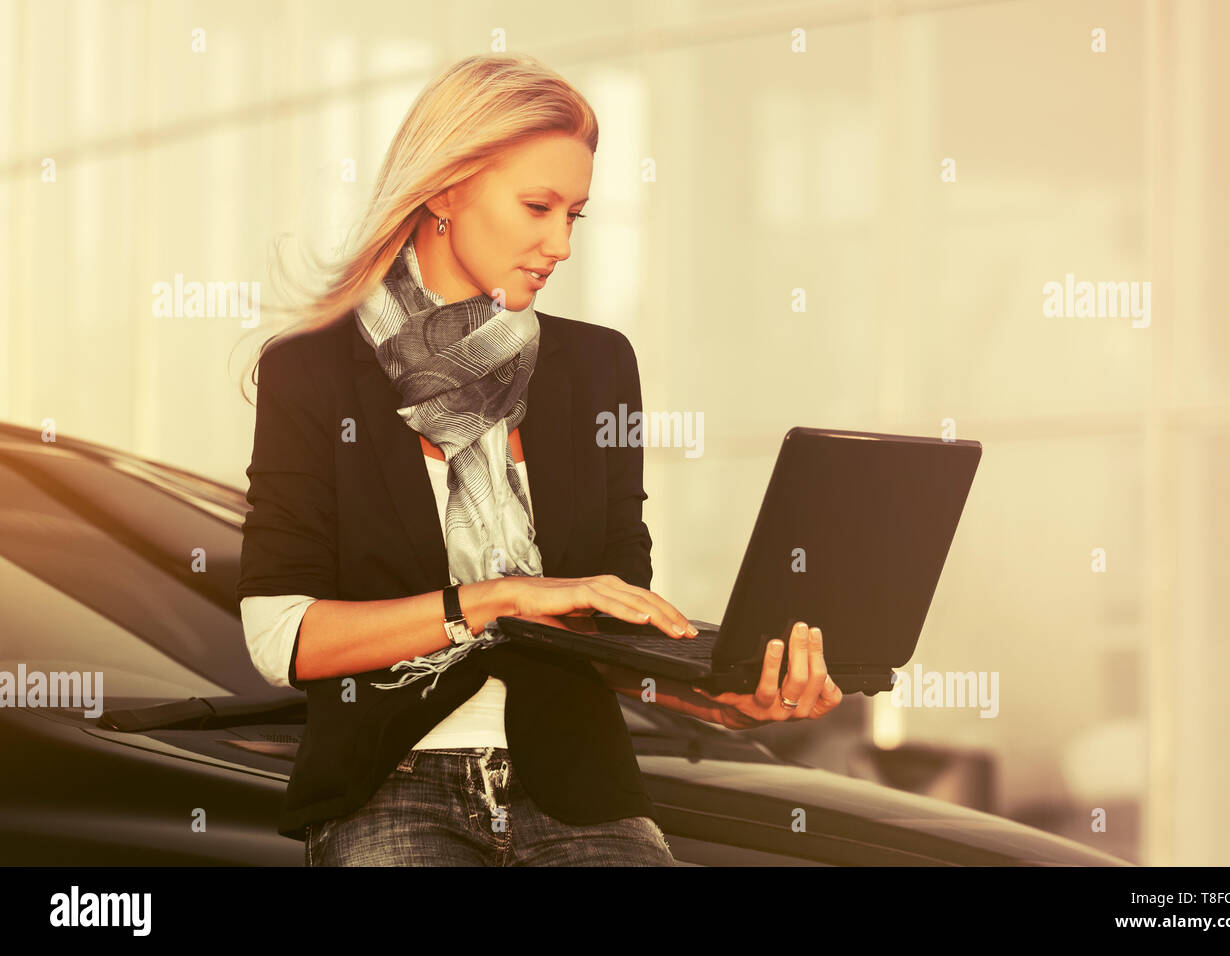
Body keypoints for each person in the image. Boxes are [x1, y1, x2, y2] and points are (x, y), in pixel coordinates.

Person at [235, 53, 843, 867]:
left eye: (577, 215)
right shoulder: (311, 371)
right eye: (537, 206)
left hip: (579, 788)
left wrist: (717, 696)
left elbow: (606, 619)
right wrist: (501, 597)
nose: (560, 243)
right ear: (446, 189)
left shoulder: (596, 368)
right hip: (392, 785)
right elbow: (286, 637)